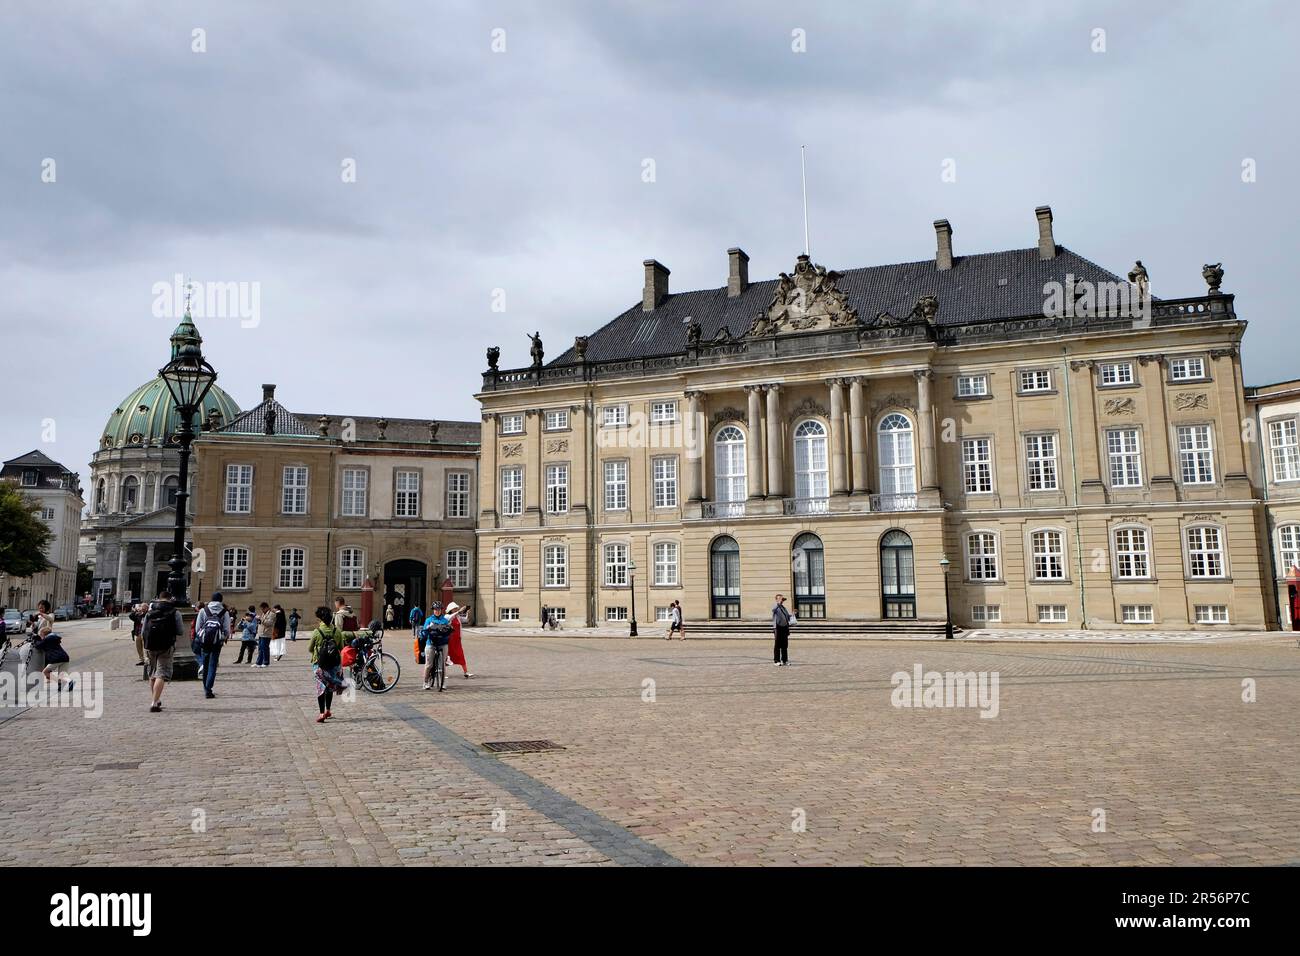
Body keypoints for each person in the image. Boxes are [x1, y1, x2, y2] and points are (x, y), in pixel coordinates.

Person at [142, 589, 184, 712]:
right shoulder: (175, 612)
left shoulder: (149, 612)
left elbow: (143, 631)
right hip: (166, 646)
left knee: (152, 672)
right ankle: (155, 702)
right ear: (170, 599)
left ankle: (155, 698)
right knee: (161, 673)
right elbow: (180, 631)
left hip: (150, 645)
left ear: (158, 599)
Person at [307, 606, 348, 723]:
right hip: (334, 665)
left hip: (319, 665)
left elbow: (310, 648)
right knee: (329, 687)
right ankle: (328, 710)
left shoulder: (317, 632)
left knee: (321, 688)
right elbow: (341, 648)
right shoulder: (337, 632)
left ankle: (321, 713)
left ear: (320, 620)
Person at [194, 592, 231, 699]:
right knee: (213, 664)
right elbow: (227, 630)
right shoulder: (225, 612)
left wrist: (201, 637)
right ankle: (209, 688)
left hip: (205, 641)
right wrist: (222, 638)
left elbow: (198, 628)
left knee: (205, 663)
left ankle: (205, 687)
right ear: (221, 600)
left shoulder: (203, 610)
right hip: (217, 642)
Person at [33, 602, 74, 694]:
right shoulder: (40, 618)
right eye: (39, 608)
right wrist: (32, 623)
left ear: (46, 608)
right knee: (62, 674)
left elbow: (50, 619)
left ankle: (55, 680)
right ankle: (62, 684)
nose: (40, 609)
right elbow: (37, 627)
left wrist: (41, 614)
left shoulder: (50, 615)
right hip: (60, 652)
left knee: (46, 669)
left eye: (42, 608)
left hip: (46, 639)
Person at [421, 602, 452, 690]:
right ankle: (425, 682)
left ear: (441, 610)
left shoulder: (445, 620)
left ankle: (443, 683)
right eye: (435, 610)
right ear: (433, 610)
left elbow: (449, 632)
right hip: (431, 643)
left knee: (442, 664)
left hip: (443, 643)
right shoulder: (429, 620)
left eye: (438, 610)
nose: (437, 611)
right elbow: (423, 632)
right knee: (429, 664)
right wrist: (427, 629)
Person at [445, 602, 474, 679]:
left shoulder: (457, 616)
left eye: (456, 608)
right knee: (447, 656)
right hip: (449, 639)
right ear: (450, 609)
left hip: (457, 639)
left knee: (461, 655)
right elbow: (450, 618)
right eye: (454, 608)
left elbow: (465, 620)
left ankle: (466, 672)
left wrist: (467, 613)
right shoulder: (447, 616)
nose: (456, 609)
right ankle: (443, 673)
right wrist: (459, 612)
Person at [772, 594, 792, 666]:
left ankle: (784, 660)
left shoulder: (783, 607)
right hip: (778, 628)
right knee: (777, 645)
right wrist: (778, 603)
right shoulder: (775, 607)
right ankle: (776, 661)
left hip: (785, 627)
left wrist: (792, 614)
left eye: (782, 599)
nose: (782, 600)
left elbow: (787, 616)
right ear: (777, 599)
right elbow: (773, 610)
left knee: (784, 645)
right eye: (780, 599)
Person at [254, 602, 274, 667]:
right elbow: (261, 622)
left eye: (263, 609)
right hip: (261, 633)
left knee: (265, 648)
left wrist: (260, 619)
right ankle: (258, 662)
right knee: (260, 648)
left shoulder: (271, 614)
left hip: (266, 633)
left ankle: (266, 662)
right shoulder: (263, 613)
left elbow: (269, 623)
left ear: (266, 608)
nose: (262, 610)